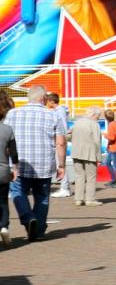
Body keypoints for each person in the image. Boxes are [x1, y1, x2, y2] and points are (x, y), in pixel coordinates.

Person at [7, 86, 67, 242]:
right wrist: (62, 165)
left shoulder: (13, 114)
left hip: (19, 164)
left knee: (18, 193)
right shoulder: (53, 115)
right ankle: (39, 230)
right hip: (44, 164)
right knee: (42, 197)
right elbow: (60, 143)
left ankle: (28, 218)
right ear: (44, 99)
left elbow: (5, 137)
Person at [70, 107, 103, 207]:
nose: (98, 118)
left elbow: (69, 136)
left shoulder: (77, 122)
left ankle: (78, 199)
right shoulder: (94, 124)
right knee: (91, 177)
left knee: (79, 176)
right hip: (90, 154)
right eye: (98, 116)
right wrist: (99, 157)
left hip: (76, 152)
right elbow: (97, 141)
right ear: (94, 115)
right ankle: (90, 199)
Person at [0, 93, 20, 249]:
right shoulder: (7, 129)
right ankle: (4, 226)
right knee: (3, 202)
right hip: (3, 171)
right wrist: (15, 169)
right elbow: (13, 152)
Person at [46, 92, 73, 198]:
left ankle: (64, 188)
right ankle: (64, 186)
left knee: (60, 164)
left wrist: (63, 136)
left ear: (52, 101)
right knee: (60, 163)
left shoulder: (59, 111)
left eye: (48, 101)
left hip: (59, 139)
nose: (47, 103)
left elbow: (63, 125)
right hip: (59, 139)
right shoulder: (59, 110)